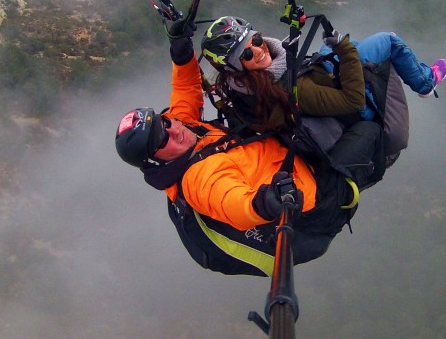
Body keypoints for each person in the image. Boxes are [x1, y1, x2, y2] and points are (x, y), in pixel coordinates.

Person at [114, 19, 383, 276]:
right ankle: (364, 174)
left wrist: (181, 53)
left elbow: (184, 89)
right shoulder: (198, 179)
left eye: (164, 123)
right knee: (370, 130)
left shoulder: (185, 126)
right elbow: (231, 202)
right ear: (156, 161)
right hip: (313, 201)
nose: (173, 131)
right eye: (161, 141)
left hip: (291, 161)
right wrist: (263, 204)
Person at [199, 15, 446, 162]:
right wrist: (346, 50)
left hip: (321, 80)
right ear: (235, 68)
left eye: (255, 39)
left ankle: (354, 53)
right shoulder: (289, 88)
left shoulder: (244, 87)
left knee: (333, 48)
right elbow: (352, 101)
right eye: (247, 54)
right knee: (388, 40)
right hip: (354, 109)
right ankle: (426, 83)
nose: (258, 49)